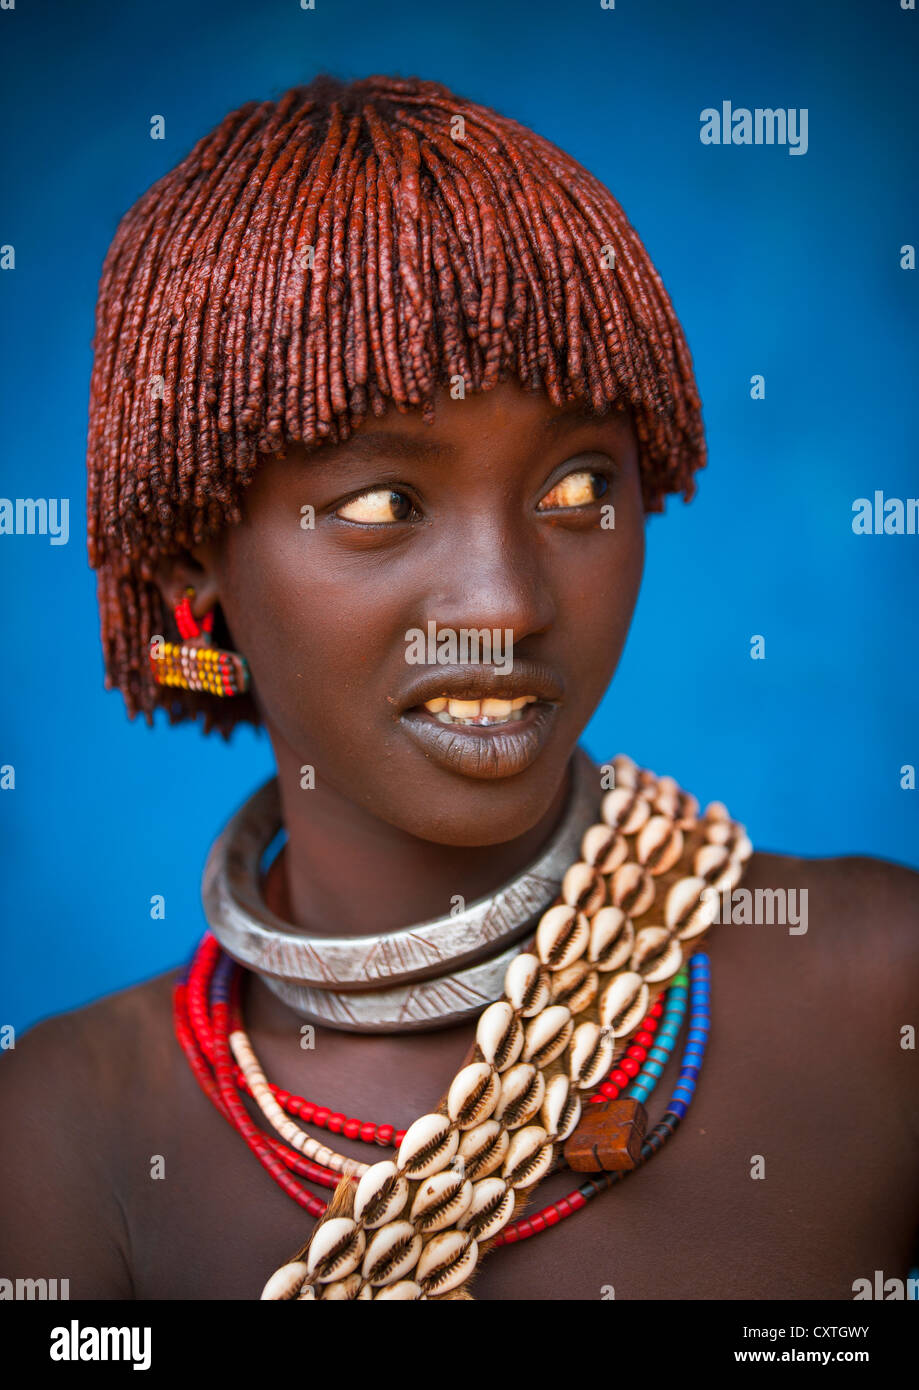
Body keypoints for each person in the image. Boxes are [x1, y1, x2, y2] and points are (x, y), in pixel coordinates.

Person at [1, 73, 916, 1302]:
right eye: (385, 504)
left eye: (578, 490)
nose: (504, 604)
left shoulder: (877, 995)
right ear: (193, 569)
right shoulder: (60, 1141)